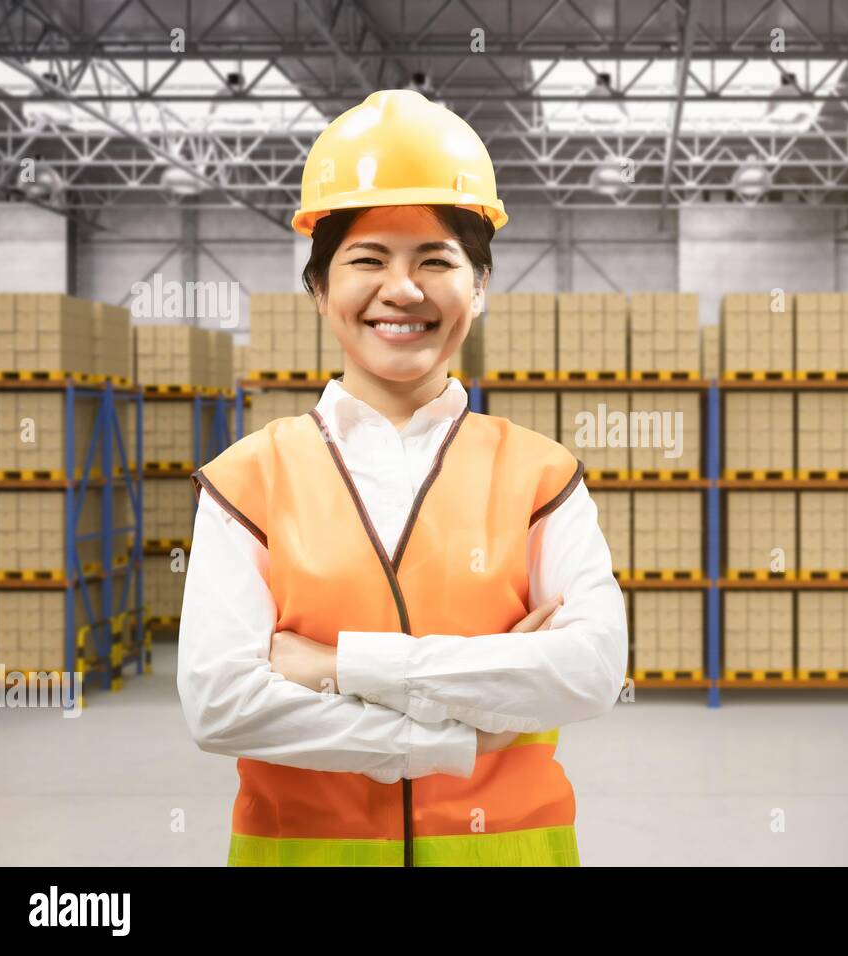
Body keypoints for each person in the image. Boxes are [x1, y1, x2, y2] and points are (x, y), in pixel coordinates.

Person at [176, 89, 629, 867]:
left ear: (479, 287)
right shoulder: (247, 481)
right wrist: (456, 736)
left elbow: (586, 674)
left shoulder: (540, 476)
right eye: (367, 260)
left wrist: (334, 666)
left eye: (436, 261)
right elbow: (222, 706)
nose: (403, 290)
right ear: (320, 291)